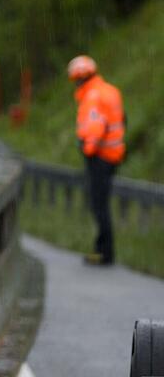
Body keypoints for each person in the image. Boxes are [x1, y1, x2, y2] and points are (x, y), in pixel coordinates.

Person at [68, 55, 125, 266]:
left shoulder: (92, 96)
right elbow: (122, 120)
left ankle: (104, 252)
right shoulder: (110, 91)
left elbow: (95, 126)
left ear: (80, 78)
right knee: (102, 203)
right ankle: (104, 249)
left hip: (99, 157)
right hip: (113, 156)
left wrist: (87, 149)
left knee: (99, 204)